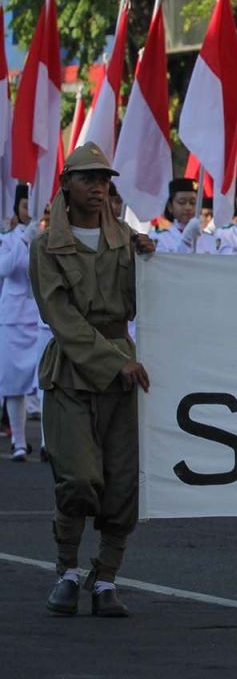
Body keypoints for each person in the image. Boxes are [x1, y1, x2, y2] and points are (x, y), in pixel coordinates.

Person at [29, 142, 156, 618]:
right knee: (79, 478)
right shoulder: (47, 246)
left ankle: (105, 577)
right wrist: (111, 362)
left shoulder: (127, 241)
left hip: (124, 369)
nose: (99, 187)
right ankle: (66, 570)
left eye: (105, 180)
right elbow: (60, 316)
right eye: (88, 179)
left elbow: (148, 303)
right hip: (72, 370)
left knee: (123, 485)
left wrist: (151, 264)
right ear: (66, 185)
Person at [0, 184, 37, 461]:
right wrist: (24, 240)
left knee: (46, 384)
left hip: (41, 319)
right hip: (13, 318)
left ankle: (49, 443)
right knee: (14, 383)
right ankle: (20, 442)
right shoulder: (8, 238)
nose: (30, 211)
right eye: (26, 206)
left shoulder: (48, 237)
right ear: (17, 208)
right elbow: (6, 269)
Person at [150, 178, 211, 254]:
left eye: (193, 202)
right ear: (170, 207)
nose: (188, 207)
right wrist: (186, 241)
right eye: (182, 202)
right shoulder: (159, 238)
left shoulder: (210, 239)